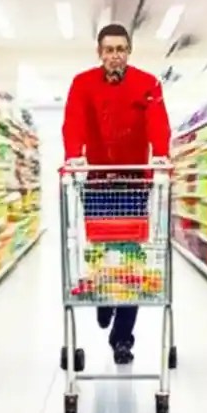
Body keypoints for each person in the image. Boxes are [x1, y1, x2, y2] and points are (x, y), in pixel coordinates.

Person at [62, 23, 171, 365]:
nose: (114, 55)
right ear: (99, 53)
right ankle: (106, 299)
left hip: (135, 182)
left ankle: (122, 338)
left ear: (129, 51)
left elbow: (158, 120)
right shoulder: (82, 83)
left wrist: (162, 153)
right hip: (95, 181)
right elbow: (74, 119)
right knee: (101, 248)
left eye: (120, 49)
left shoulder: (147, 83)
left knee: (132, 257)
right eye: (108, 49)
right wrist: (73, 154)